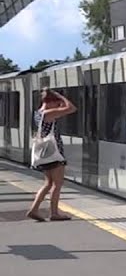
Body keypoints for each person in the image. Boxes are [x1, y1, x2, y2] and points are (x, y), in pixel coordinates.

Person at [27, 89, 76, 222]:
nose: (58, 105)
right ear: (50, 102)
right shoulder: (50, 113)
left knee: (48, 183)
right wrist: (61, 96)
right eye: (56, 102)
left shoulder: (38, 113)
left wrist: (58, 102)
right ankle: (54, 213)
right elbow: (71, 108)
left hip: (44, 154)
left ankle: (34, 209)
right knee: (57, 184)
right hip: (54, 153)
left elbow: (63, 111)